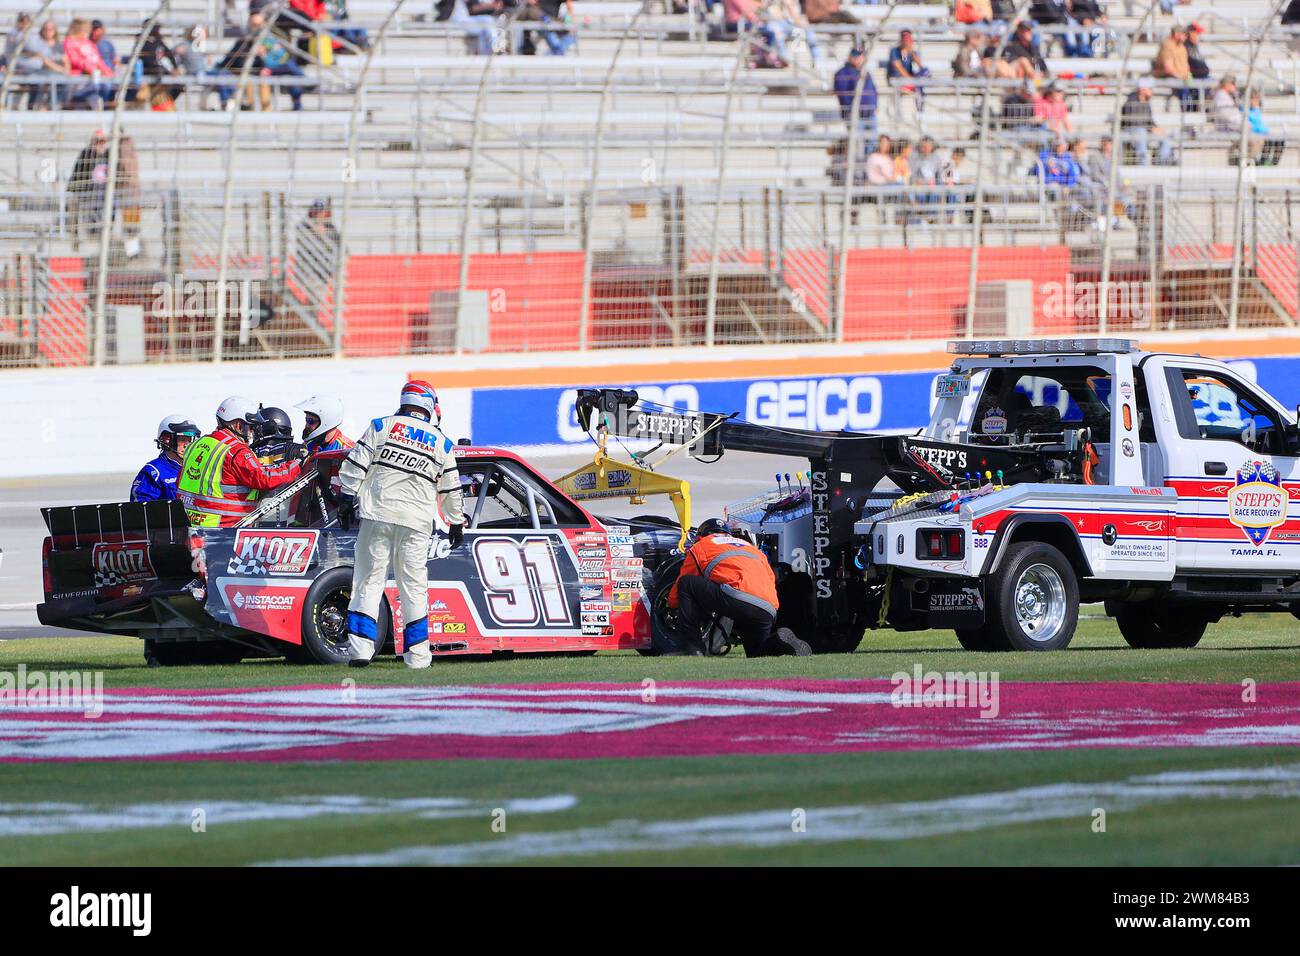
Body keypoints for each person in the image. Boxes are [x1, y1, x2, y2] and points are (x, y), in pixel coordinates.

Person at [340, 380, 465, 669]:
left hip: (377, 515)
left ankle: (360, 650)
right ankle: (418, 657)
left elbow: (355, 464)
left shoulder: (380, 426)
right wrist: (456, 523)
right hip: (416, 523)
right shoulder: (442, 441)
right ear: (429, 405)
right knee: (414, 588)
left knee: (368, 581)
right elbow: (451, 489)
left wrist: (347, 498)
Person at [666, 518, 810, 657]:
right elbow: (771, 578)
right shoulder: (751, 548)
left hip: (738, 598)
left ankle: (692, 648)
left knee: (687, 583)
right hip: (767, 607)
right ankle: (779, 640)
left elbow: (684, 581)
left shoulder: (700, 545)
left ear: (700, 536)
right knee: (757, 653)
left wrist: (671, 603)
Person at [176, 396, 305, 528]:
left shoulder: (196, 445)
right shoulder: (236, 450)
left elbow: (180, 482)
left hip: (191, 526)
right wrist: (297, 465)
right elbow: (264, 478)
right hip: (223, 530)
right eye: (250, 428)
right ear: (238, 426)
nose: (251, 434)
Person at [131, 415, 201, 502]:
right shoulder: (153, 472)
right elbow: (141, 510)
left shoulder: (198, 467)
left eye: (190, 440)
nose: (187, 445)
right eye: (182, 439)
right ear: (167, 440)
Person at [1121, 77, 1173, 166]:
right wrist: (1150, 128)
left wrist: (1156, 128)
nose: (1152, 91)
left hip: (1144, 131)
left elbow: (1149, 120)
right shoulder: (1131, 101)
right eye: (1150, 89)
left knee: (1164, 137)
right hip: (1130, 131)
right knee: (1141, 133)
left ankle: (1161, 166)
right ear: (1142, 89)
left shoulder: (1146, 102)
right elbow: (1133, 122)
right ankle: (1143, 167)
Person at [833, 47, 877, 134]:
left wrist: (875, 105)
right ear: (850, 57)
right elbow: (843, 94)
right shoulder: (842, 73)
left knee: (872, 143)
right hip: (855, 115)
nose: (859, 59)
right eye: (856, 56)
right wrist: (851, 110)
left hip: (870, 113)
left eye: (860, 56)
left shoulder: (865, 72)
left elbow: (873, 90)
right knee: (857, 142)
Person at [1152, 24, 1195, 113]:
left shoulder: (1181, 46)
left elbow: (1186, 66)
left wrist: (1188, 76)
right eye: (1184, 34)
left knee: (1197, 88)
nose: (1186, 36)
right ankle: (1185, 113)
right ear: (1176, 34)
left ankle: (1192, 114)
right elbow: (1168, 68)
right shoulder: (1167, 45)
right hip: (1169, 76)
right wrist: (1182, 77)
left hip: (1182, 77)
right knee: (1184, 88)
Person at [887, 29, 931, 110]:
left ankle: (920, 107)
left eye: (908, 39)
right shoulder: (894, 51)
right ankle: (910, 87)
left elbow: (921, 66)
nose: (906, 42)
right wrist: (910, 80)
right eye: (905, 39)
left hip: (909, 79)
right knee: (916, 81)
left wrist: (911, 52)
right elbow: (898, 67)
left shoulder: (912, 52)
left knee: (925, 72)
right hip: (898, 78)